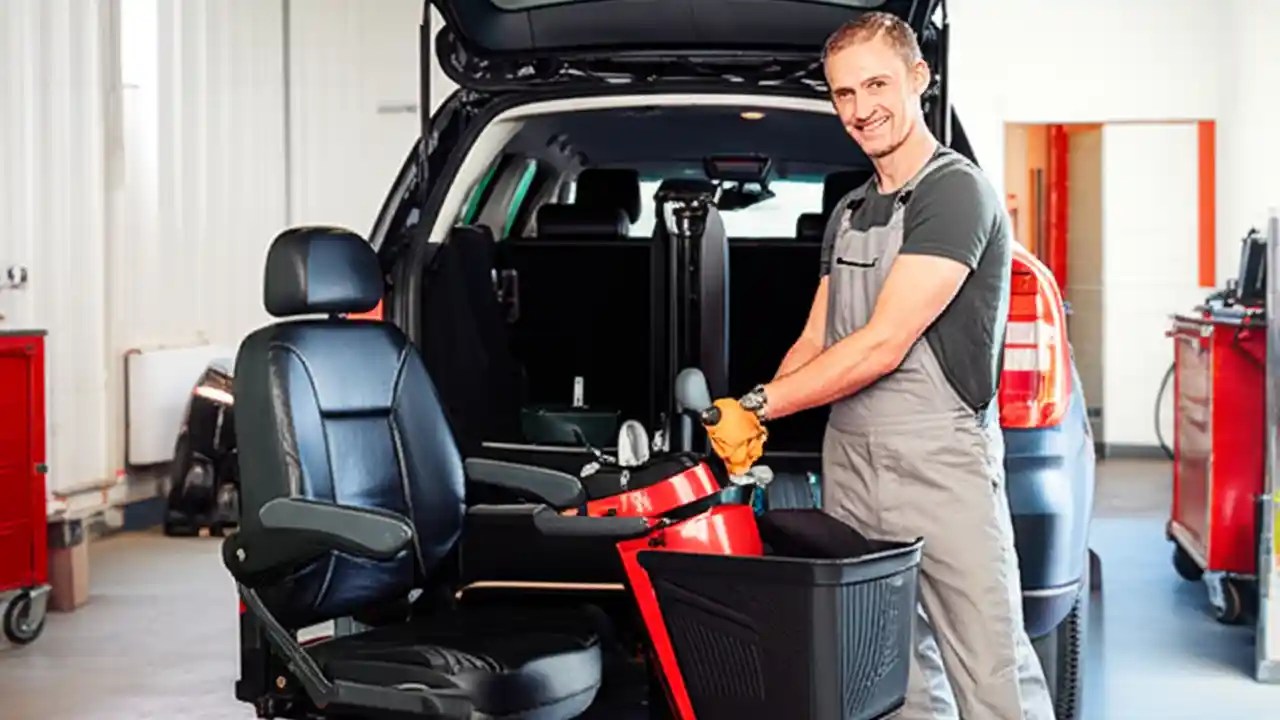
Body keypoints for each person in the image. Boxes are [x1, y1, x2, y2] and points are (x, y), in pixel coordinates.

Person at [704, 11, 1057, 720]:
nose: (861, 108)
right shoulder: (850, 210)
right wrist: (754, 411)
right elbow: (818, 336)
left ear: (918, 78)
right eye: (844, 93)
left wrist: (764, 406)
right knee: (891, 674)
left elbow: (883, 343)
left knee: (988, 670)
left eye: (876, 85)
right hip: (852, 460)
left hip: (938, 461)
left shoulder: (953, 193)